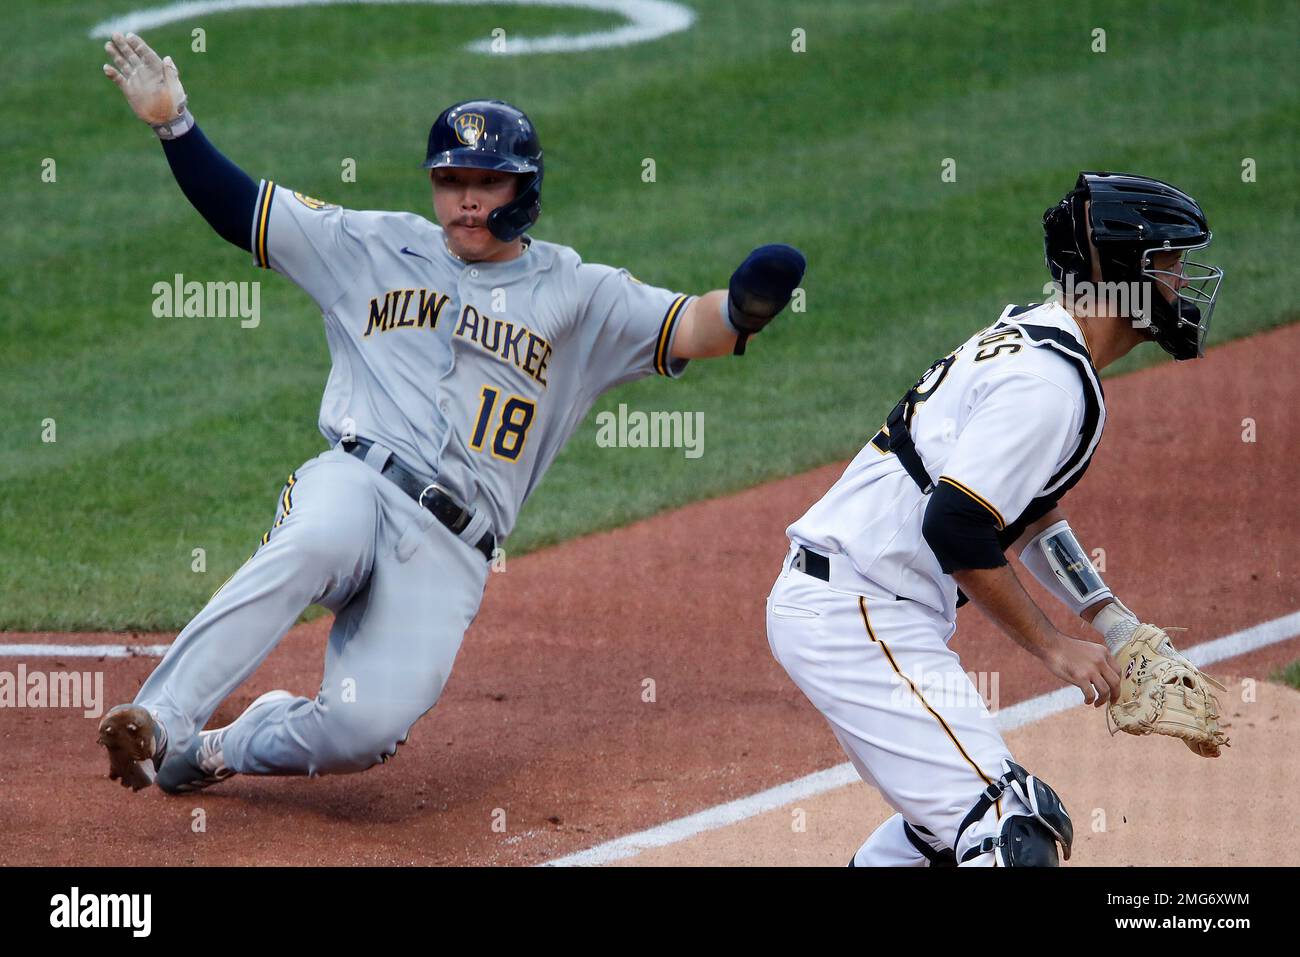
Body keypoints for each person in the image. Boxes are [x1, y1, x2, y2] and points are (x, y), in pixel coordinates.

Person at [96, 32, 805, 794]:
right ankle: (157, 716)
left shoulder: (580, 294)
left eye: (487, 182)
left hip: (450, 549)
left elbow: (697, 326)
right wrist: (175, 125)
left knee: (360, 730)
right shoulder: (372, 246)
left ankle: (213, 748)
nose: (466, 199)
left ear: (524, 191)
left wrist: (746, 306)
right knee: (310, 538)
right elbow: (245, 214)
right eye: (451, 179)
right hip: (356, 483)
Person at [764, 171, 1224, 866]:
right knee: (1013, 828)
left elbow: (1025, 510)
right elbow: (953, 526)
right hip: (854, 612)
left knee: (943, 830)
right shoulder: (1048, 385)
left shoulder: (1042, 343)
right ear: (1124, 270)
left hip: (870, 608)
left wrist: (1107, 617)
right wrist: (1052, 647)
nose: (1182, 280)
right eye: (1169, 261)